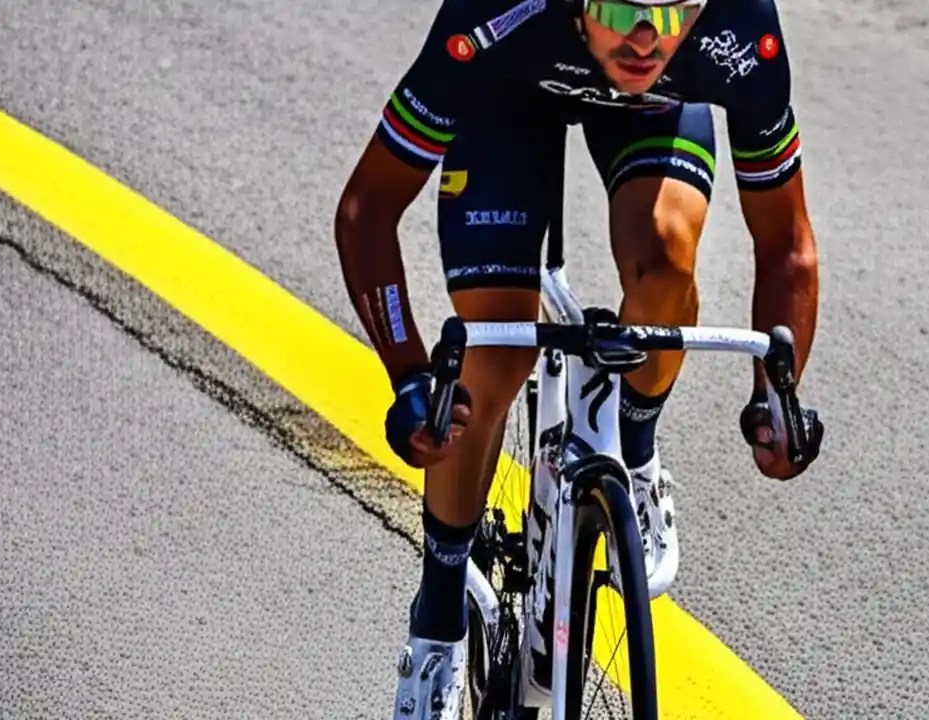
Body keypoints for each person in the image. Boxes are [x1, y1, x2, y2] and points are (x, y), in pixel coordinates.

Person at [333, 0, 824, 715]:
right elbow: (366, 210)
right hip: (506, 100)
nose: (648, 32)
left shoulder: (739, 27)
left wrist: (776, 391)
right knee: (492, 361)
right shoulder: (494, 14)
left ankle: (635, 443)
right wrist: (409, 372)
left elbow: (787, 244)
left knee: (664, 256)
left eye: (673, 6)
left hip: (652, 110)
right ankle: (436, 626)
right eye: (624, 4)